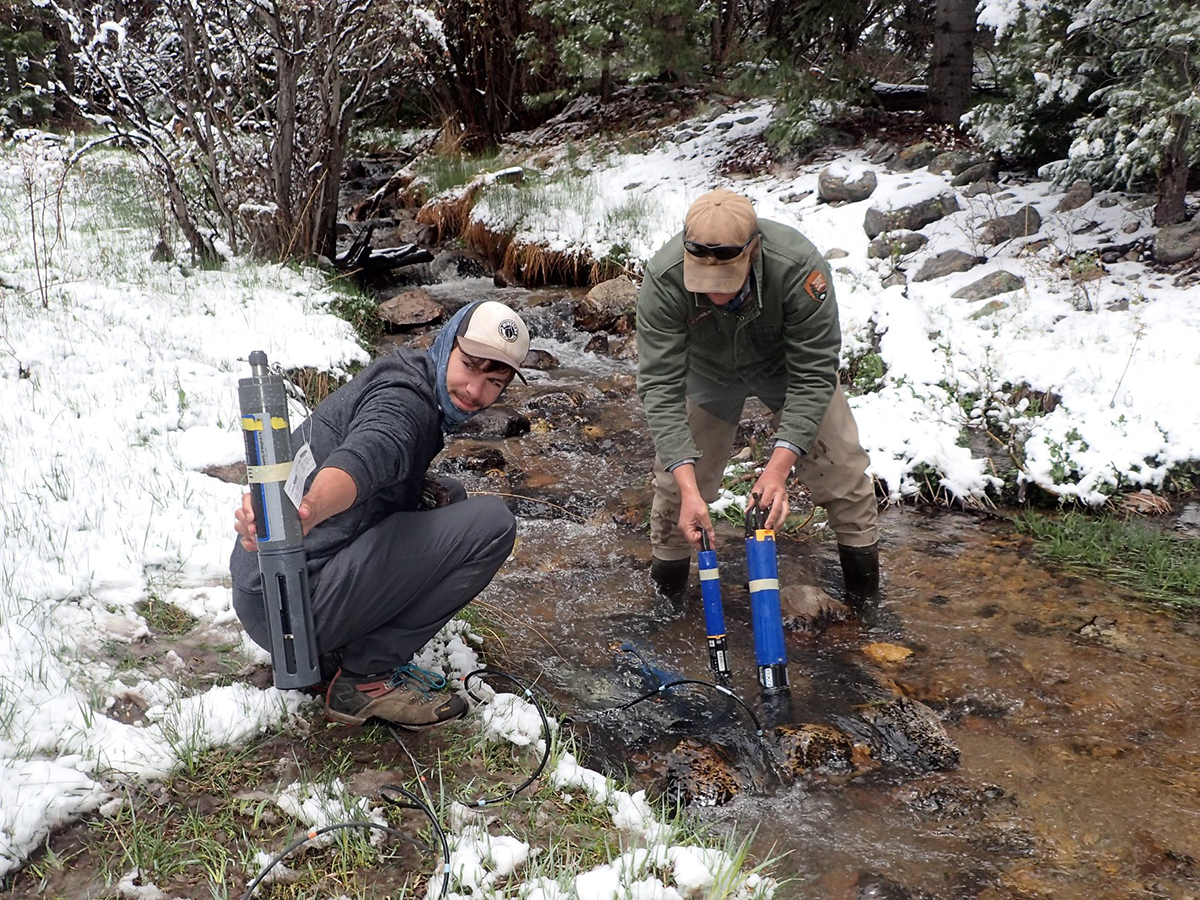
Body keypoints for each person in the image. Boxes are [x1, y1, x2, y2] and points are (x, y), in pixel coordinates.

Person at [231, 300, 530, 728]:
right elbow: (371, 451)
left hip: (274, 591)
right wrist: (307, 511)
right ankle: (363, 680)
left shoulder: (408, 373)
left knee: (448, 496)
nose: (475, 390)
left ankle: (336, 651)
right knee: (492, 524)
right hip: (287, 606)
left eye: (494, 381)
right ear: (447, 345)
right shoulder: (406, 400)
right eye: (469, 365)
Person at [636, 188, 880, 611]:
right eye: (705, 284)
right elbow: (660, 385)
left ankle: (866, 604)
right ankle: (665, 608)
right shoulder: (664, 276)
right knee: (675, 494)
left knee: (844, 473)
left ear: (754, 250)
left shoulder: (799, 268)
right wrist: (690, 488)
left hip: (785, 369)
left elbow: (814, 374)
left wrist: (778, 468)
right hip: (707, 372)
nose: (715, 295)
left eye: (726, 284)